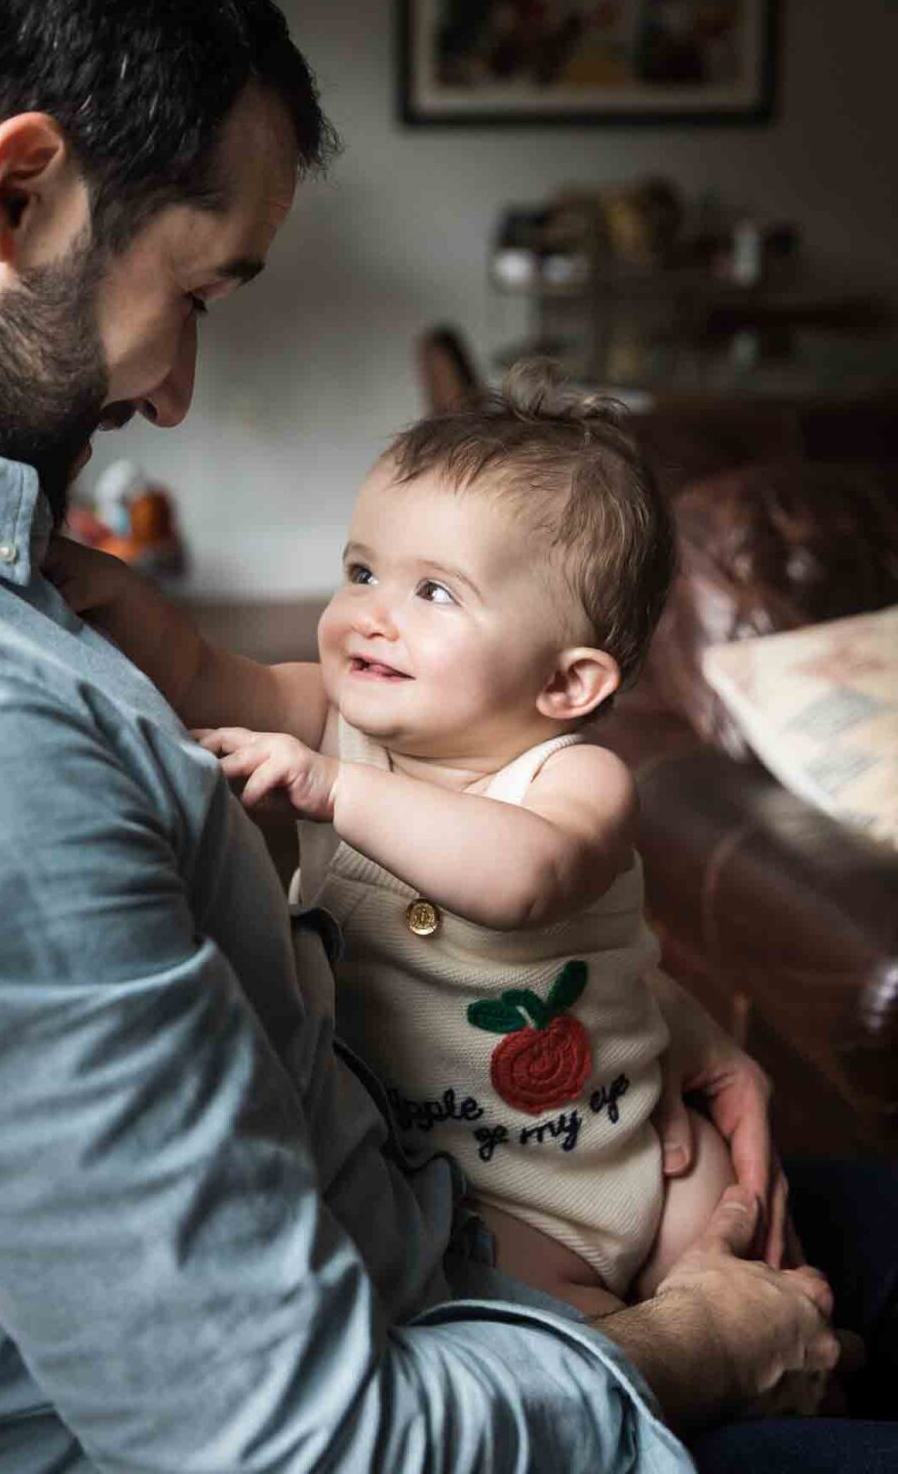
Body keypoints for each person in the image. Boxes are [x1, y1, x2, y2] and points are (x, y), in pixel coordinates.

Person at [0, 0, 891, 1471]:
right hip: (456, 1334)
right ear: (17, 196)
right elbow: (307, 1437)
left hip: (480, 1186)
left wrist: (659, 1024)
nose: (176, 396)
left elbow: (513, 885)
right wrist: (704, 1346)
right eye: (196, 293)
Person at [55, 362, 738, 1319]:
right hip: (482, 1194)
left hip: (633, 1146)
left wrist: (338, 791)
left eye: (436, 593)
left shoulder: (574, 778)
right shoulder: (330, 715)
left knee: (746, 1262)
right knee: (552, 1326)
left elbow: (525, 877)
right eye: (362, 572)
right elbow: (200, 672)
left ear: (566, 684)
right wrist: (113, 592)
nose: (372, 614)